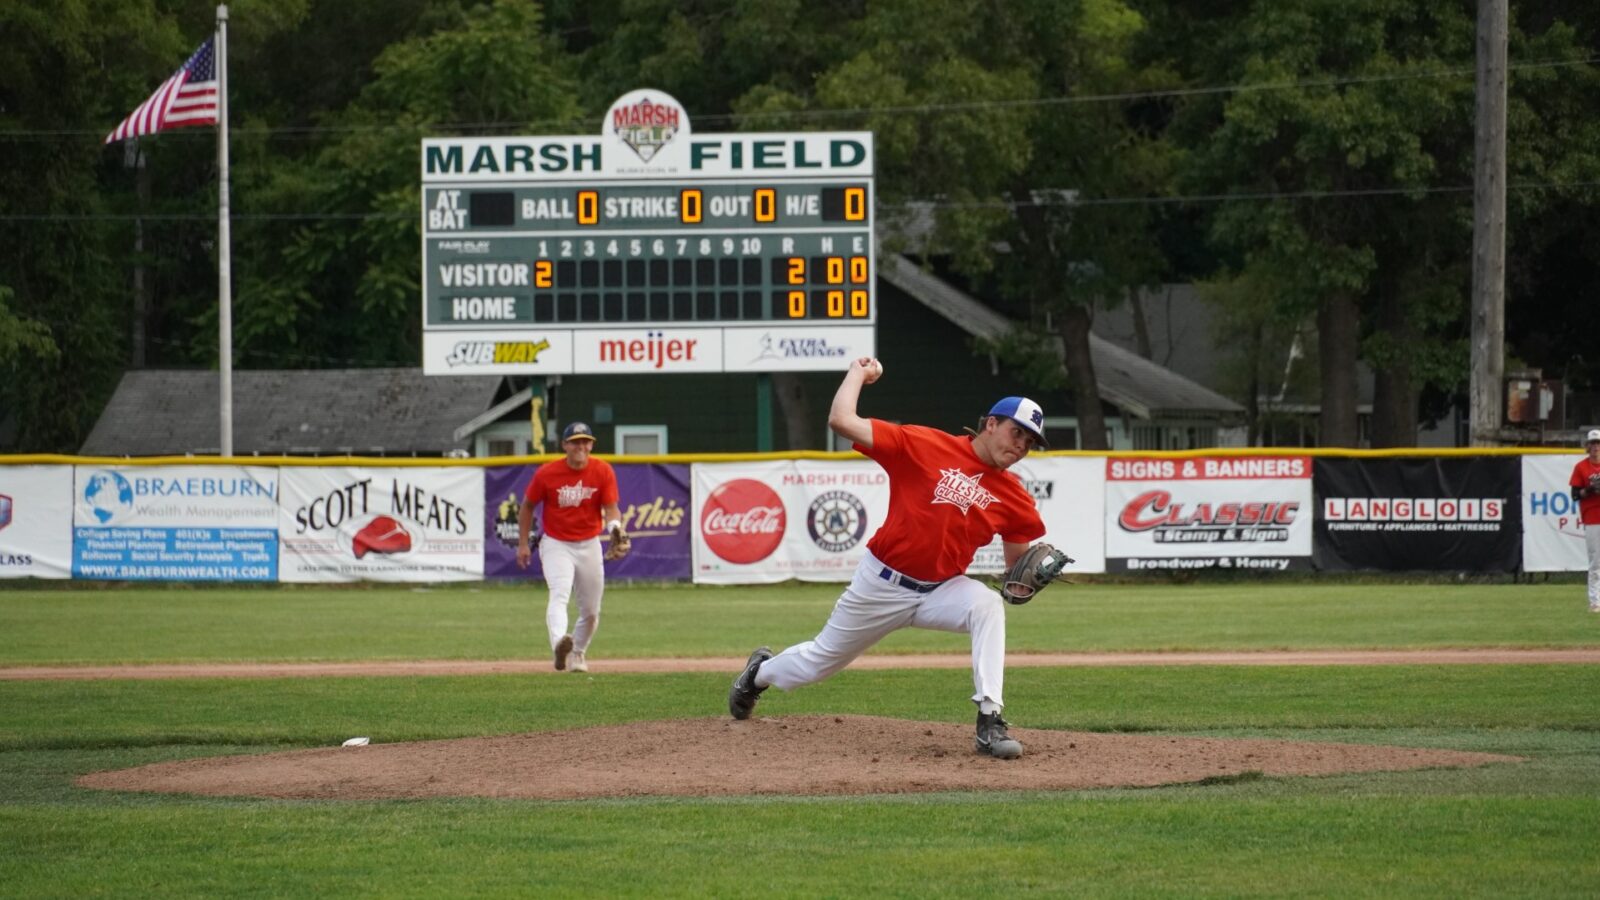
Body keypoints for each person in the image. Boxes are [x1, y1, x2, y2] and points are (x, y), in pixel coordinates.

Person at [728, 357, 1051, 759]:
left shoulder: (1016, 497)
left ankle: (990, 720)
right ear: (990, 424)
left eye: (1029, 441)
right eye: (1016, 432)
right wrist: (857, 374)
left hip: (941, 589)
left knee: (986, 605)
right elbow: (842, 420)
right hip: (882, 583)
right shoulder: (924, 444)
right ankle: (758, 674)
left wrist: (1029, 578)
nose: (1020, 445)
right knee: (817, 663)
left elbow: (1013, 575)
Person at [517, 421, 626, 672]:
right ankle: (559, 643)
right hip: (556, 543)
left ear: (591, 445)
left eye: (586, 441)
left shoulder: (602, 471)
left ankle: (577, 653)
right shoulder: (547, 473)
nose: (581, 446)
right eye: (575, 441)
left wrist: (615, 528)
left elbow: (610, 508)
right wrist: (523, 544)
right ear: (565, 445)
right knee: (560, 592)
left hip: (589, 543)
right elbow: (527, 506)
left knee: (591, 610)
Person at [1569, 428, 1600, 613]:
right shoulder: (1581, 467)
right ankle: (1595, 601)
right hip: (1593, 518)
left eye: (1599, 443)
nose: (1596, 447)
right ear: (1587, 446)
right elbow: (1574, 495)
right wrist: (1589, 490)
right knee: (1596, 562)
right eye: (1593, 443)